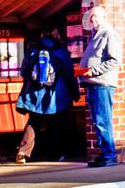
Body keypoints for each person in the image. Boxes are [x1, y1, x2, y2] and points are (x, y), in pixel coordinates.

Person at [14, 28, 80, 164]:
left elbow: (24, 72)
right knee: (55, 123)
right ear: (56, 35)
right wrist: (75, 93)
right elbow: (69, 75)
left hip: (35, 93)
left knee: (34, 121)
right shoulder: (61, 51)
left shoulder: (33, 50)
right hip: (56, 94)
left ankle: (23, 152)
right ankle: (53, 155)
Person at [79, 0, 121, 167]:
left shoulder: (109, 33)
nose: (92, 19)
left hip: (102, 85)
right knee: (98, 120)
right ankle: (105, 154)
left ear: (103, 17)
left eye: (95, 16)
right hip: (93, 83)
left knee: (103, 120)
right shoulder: (95, 35)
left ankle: (109, 155)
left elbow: (114, 60)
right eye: (90, 16)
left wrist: (93, 71)